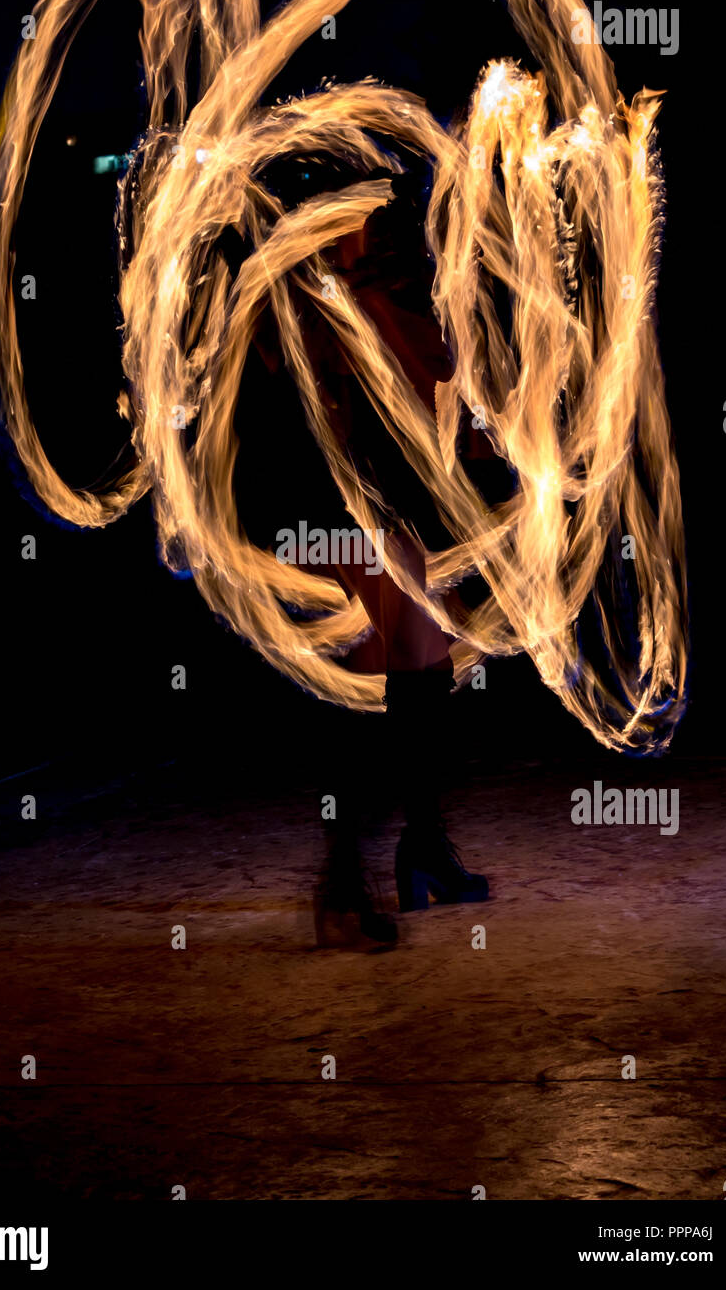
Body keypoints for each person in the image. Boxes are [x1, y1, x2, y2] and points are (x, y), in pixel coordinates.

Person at [225, 158, 491, 949]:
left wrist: (379, 299)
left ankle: (417, 852)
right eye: (358, 212)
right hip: (321, 502)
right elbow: (313, 369)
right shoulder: (305, 292)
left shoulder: (371, 280)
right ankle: (357, 871)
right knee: (402, 665)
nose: (370, 224)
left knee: (419, 664)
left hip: (367, 497)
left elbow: (434, 372)